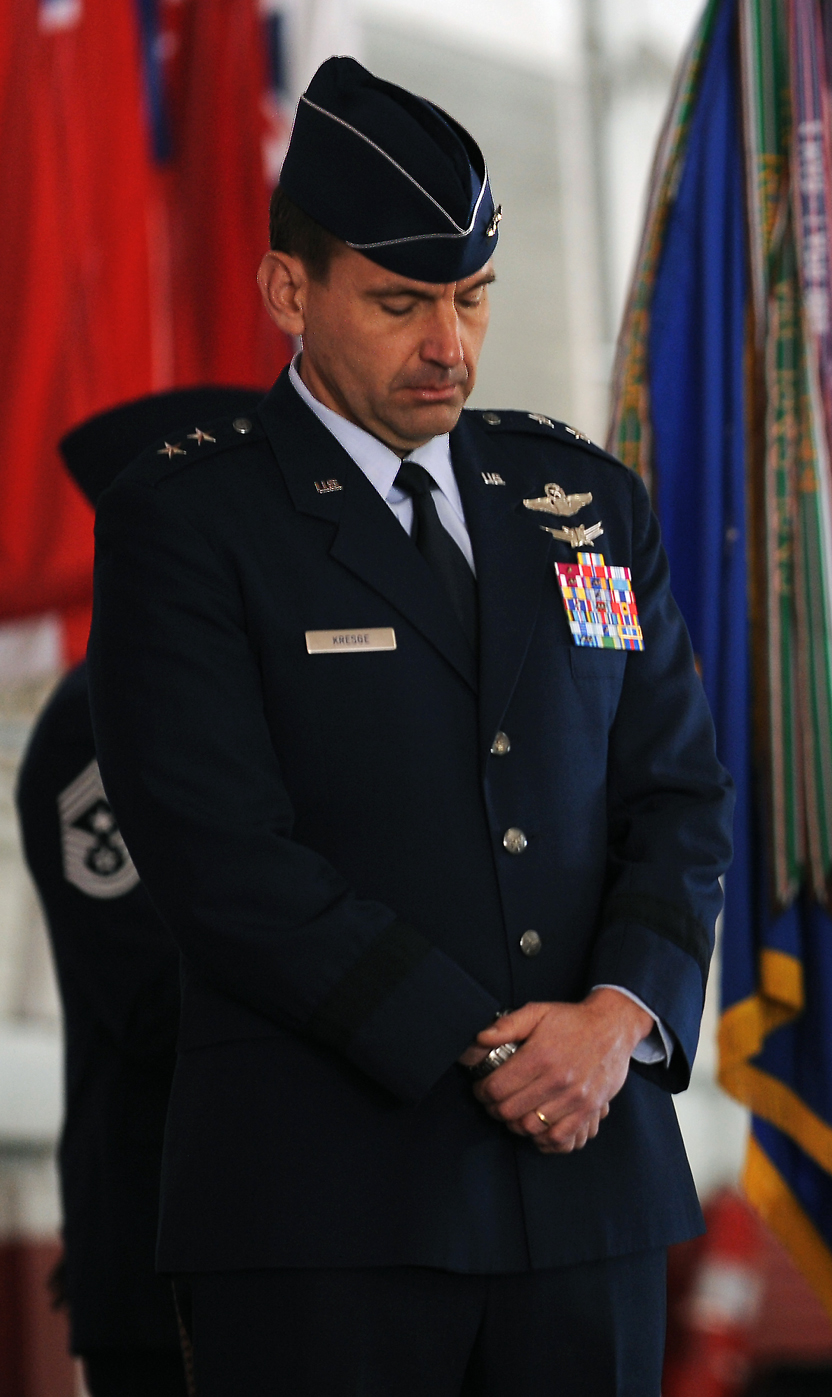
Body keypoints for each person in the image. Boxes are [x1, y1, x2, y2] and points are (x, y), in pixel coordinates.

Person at [87, 57, 733, 1396]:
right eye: (399, 302)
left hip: (587, 1200)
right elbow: (219, 853)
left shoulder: (584, 505)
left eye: (472, 297)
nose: (451, 343)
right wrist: (491, 1042)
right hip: (327, 1206)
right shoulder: (191, 524)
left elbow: (679, 796)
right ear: (288, 293)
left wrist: (614, 1020)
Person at [17, 387, 261, 1397]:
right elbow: (157, 991)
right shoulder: (97, 726)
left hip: (286, 1234)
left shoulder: (242, 694)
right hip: (173, 1232)